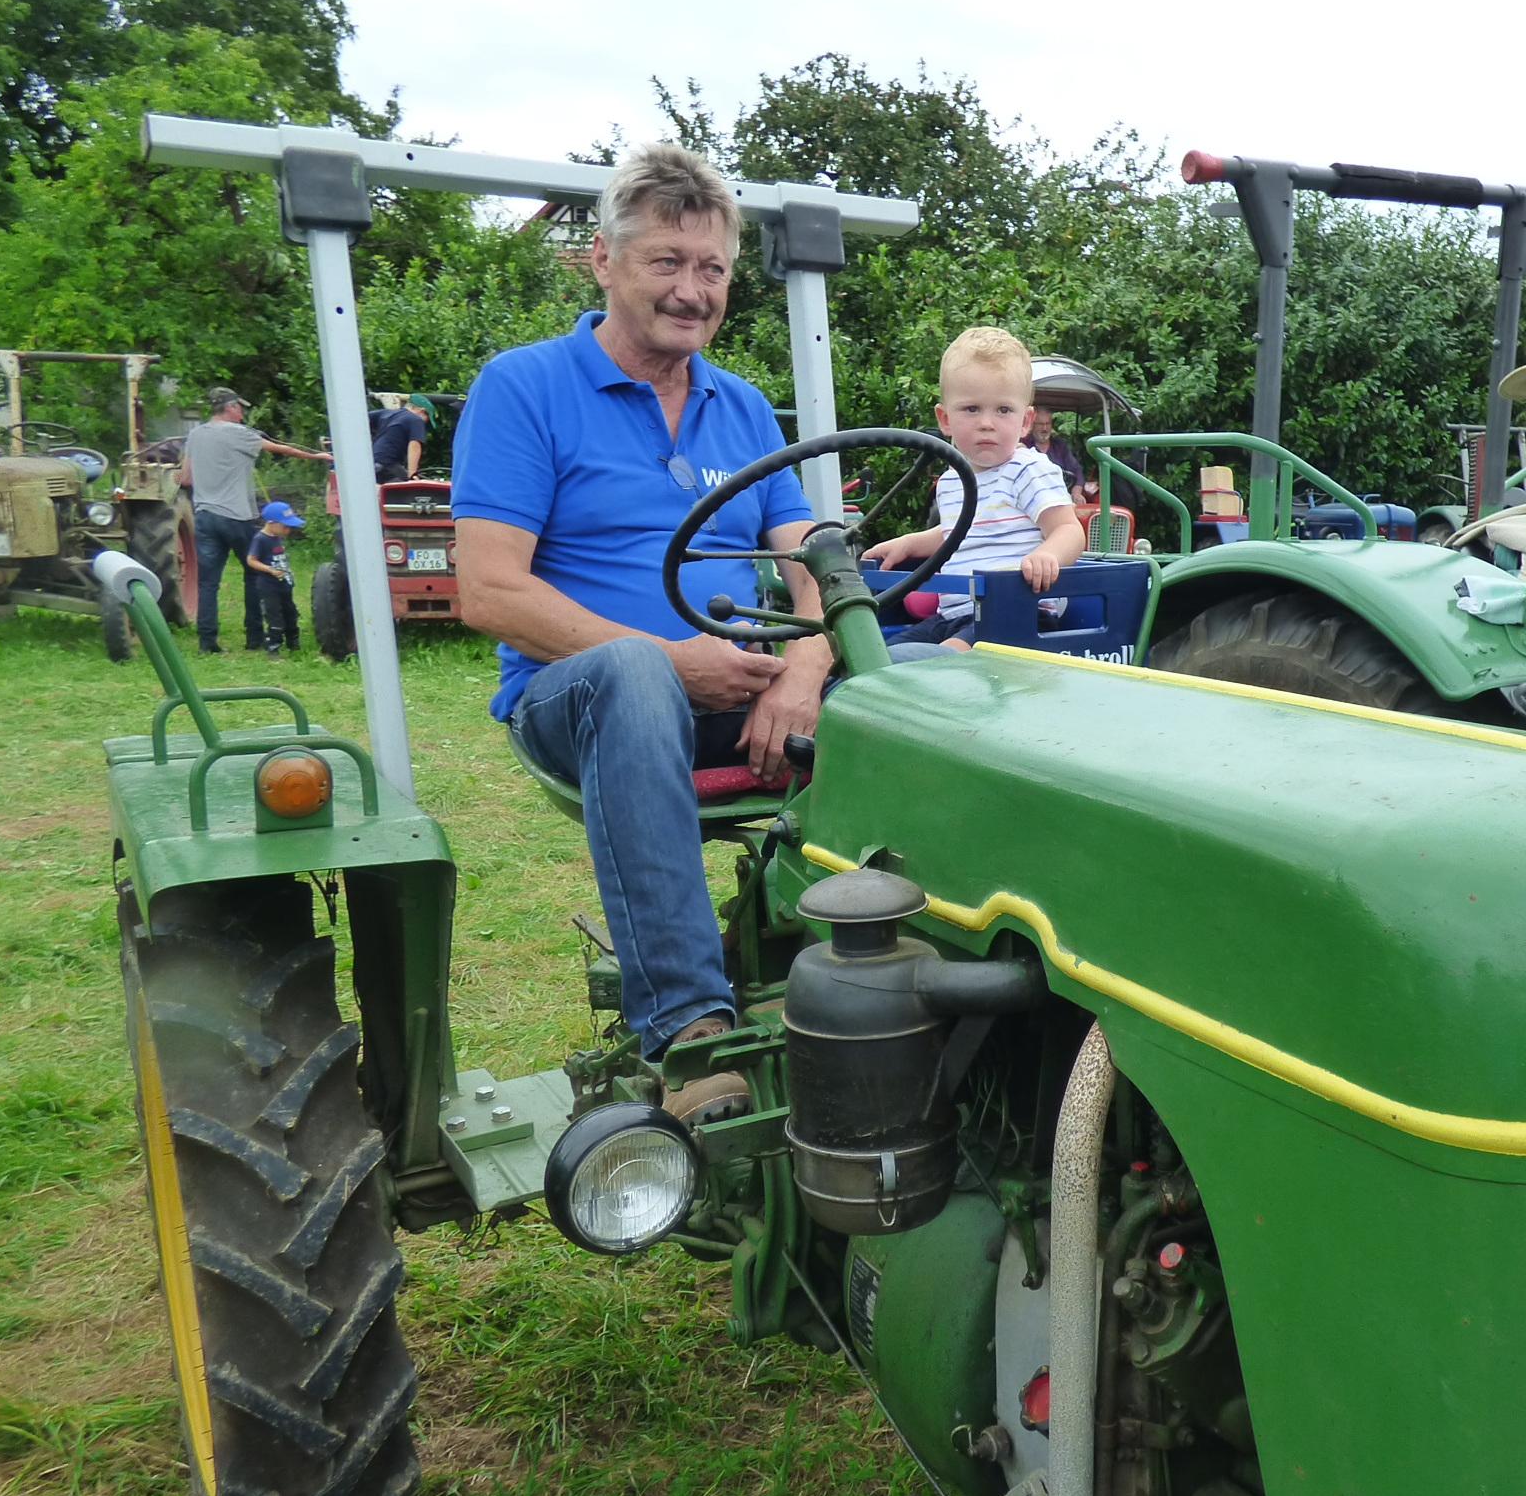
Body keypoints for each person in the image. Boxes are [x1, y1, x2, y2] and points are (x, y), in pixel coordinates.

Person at [454, 143, 876, 1122]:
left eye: (713, 270)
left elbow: (813, 553)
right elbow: (488, 590)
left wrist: (806, 665)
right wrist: (666, 661)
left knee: (920, 689)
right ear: (604, 260)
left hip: (745, 692)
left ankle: (907, 964)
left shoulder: (740, 409)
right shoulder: (524, 388)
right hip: (581, 697)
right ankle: (689, 1032)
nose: (693, 291)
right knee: (635, 675)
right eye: (667, 263)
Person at [862, 327, 1084, 649]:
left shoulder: (1028, 470)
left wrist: (1047, 556)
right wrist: (909, 544)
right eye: (971, 409)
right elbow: (957, 533)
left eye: (1003, 410)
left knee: (945, 663)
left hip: (1017, 611)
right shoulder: (953, 480)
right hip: (954, 613)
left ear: (1025, 421)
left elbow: (1069, 529)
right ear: (945, 418)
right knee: (879, 658)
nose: (987, 422)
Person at [179, 388, 329, 653]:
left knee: (207, 582)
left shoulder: (195, 434)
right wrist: (316, 457)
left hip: (204, 516)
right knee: (253, 573)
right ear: (231, 407)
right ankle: (255, 638)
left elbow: (186, 478)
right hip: (236, 516)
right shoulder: (241, 435)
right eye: (240, 407)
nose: (243, 413)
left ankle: (207, 642)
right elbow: (281, 449)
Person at [245, 501, 306, 654]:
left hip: (283, 584)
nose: (288, 530)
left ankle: (294, 644)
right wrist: (269, 570)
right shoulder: (260, 539)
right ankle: (273, 647)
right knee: (275, 616)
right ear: (272, 523)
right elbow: (251, 560)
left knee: (290, 613)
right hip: (268, 586)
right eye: (285, 526)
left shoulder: (277, 537)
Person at [368, 394, 437, 483]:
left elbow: (361, 419)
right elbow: (415, 445)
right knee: (409, 491)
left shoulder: (387, 413)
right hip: (388, 463)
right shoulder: (416, 420)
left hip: (371, 462)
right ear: (422, 411)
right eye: (427, 419)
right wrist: (412, 475)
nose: (425, 422)